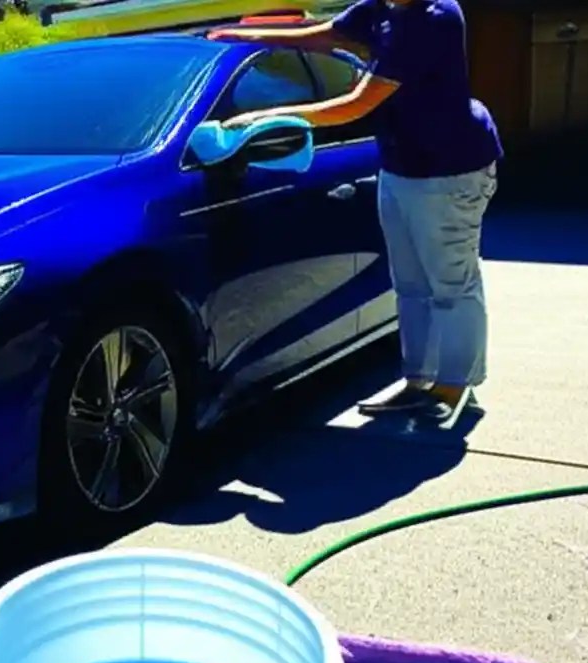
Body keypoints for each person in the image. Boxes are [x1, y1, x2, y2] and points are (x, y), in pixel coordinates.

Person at [210, 0, 502, 425]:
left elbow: (356, 104)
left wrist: (265, 118)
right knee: (411, 283)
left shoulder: (432, 18)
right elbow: (325, 34)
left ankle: (454, 385)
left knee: (451, 282)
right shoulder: (381, 9)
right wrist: (250, 36)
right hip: (402, 163)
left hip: (451, 168)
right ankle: (419, 382)